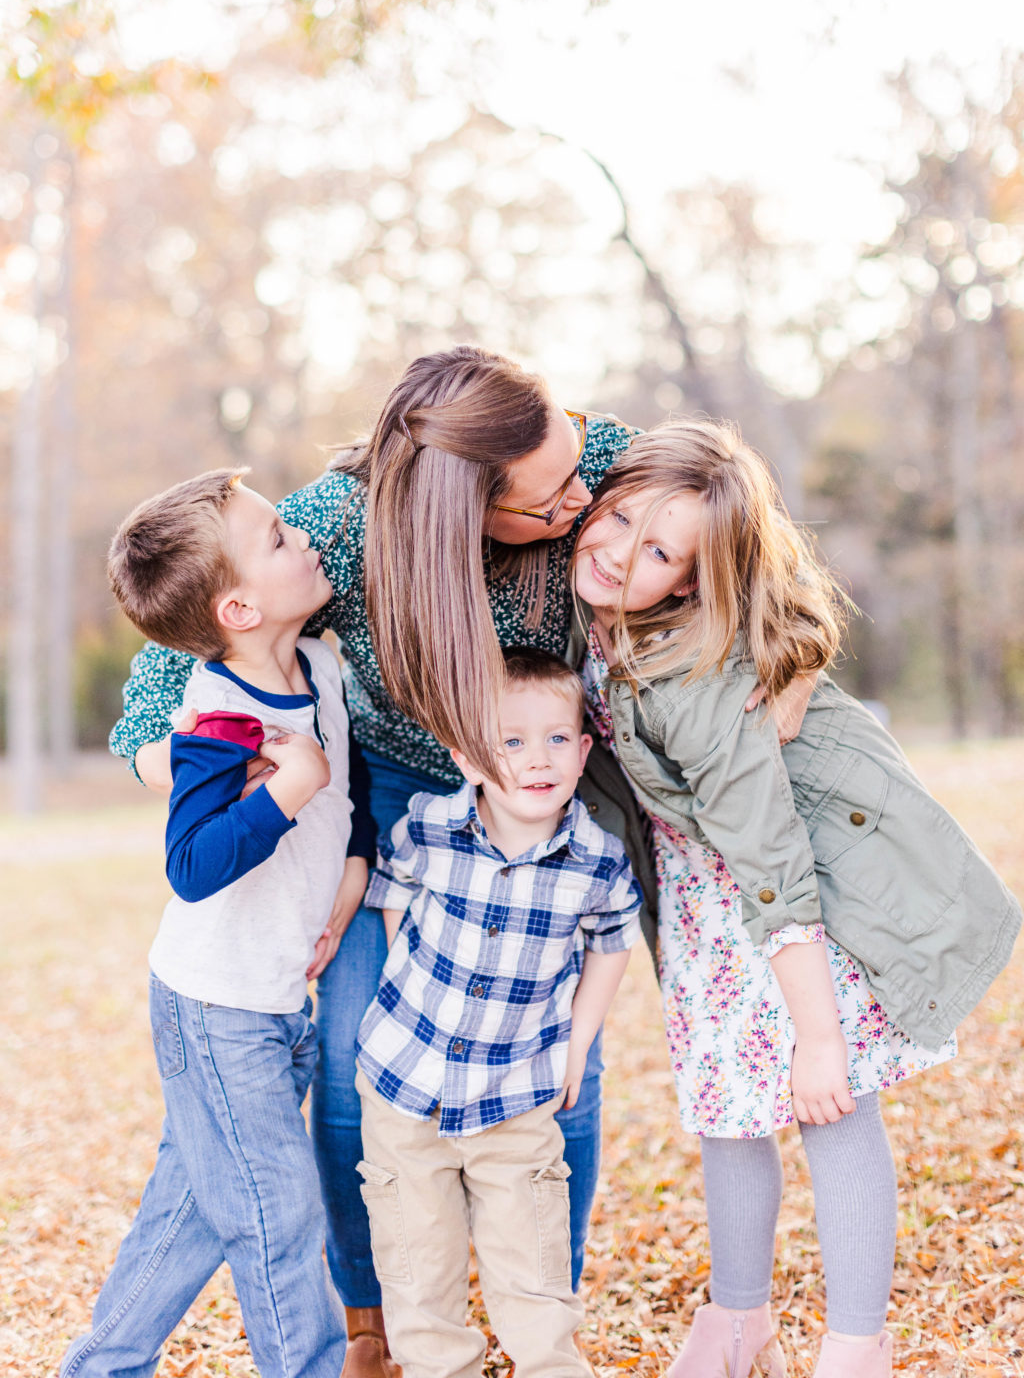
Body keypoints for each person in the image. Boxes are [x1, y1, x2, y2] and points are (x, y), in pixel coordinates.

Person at [108, 348, 807, 1368]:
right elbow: (164, 667)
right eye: (548, 500)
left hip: (544, 784)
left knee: (556, 1061)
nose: (581, 501)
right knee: (354, 1061)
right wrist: (199, 770)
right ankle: (373, 1319)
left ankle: (542, 1308)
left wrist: (793, 654)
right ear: (463, 508)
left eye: (577, 466)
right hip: (396, 796)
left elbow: (743, 533)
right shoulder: (339, 528)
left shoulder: (587, 460)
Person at [570, 419, 1022, 1378]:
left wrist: (819, 1034)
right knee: (726, 1110)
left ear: (688, 584)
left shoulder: (699, 683)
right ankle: (738, 1323)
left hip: (786, 917)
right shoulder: (598, 609)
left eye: (659, 552)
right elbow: (560, 437)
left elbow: (771, 854)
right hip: (706, 917)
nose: (619, 551)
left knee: (830, 1103)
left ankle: (857, 1343)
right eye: (617, 518)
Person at [64, 469, 374, 1378]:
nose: (303, 537)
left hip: (275, 1000)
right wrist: (286, 789)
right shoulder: (219, 723)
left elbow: (347, 789)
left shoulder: (321, 668)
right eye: (278, 536)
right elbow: (192, 864)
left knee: (194, 1207)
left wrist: (353, 861)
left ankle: (101, 1366)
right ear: (238, 609)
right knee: (278, 1214)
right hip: (216, 1005)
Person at [354, 649, 642, 1378]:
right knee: (419, 1275)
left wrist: (577, 1045)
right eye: (511, 741)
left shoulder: (596, 861)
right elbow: (393, 890)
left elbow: (613, 942)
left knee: (534, 1279)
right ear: (468, 757)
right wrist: (405, 990)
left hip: (516, 1099)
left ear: (583, 752)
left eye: (556, 738)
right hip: (404, 1089)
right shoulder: (430, 827)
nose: (537, 759)